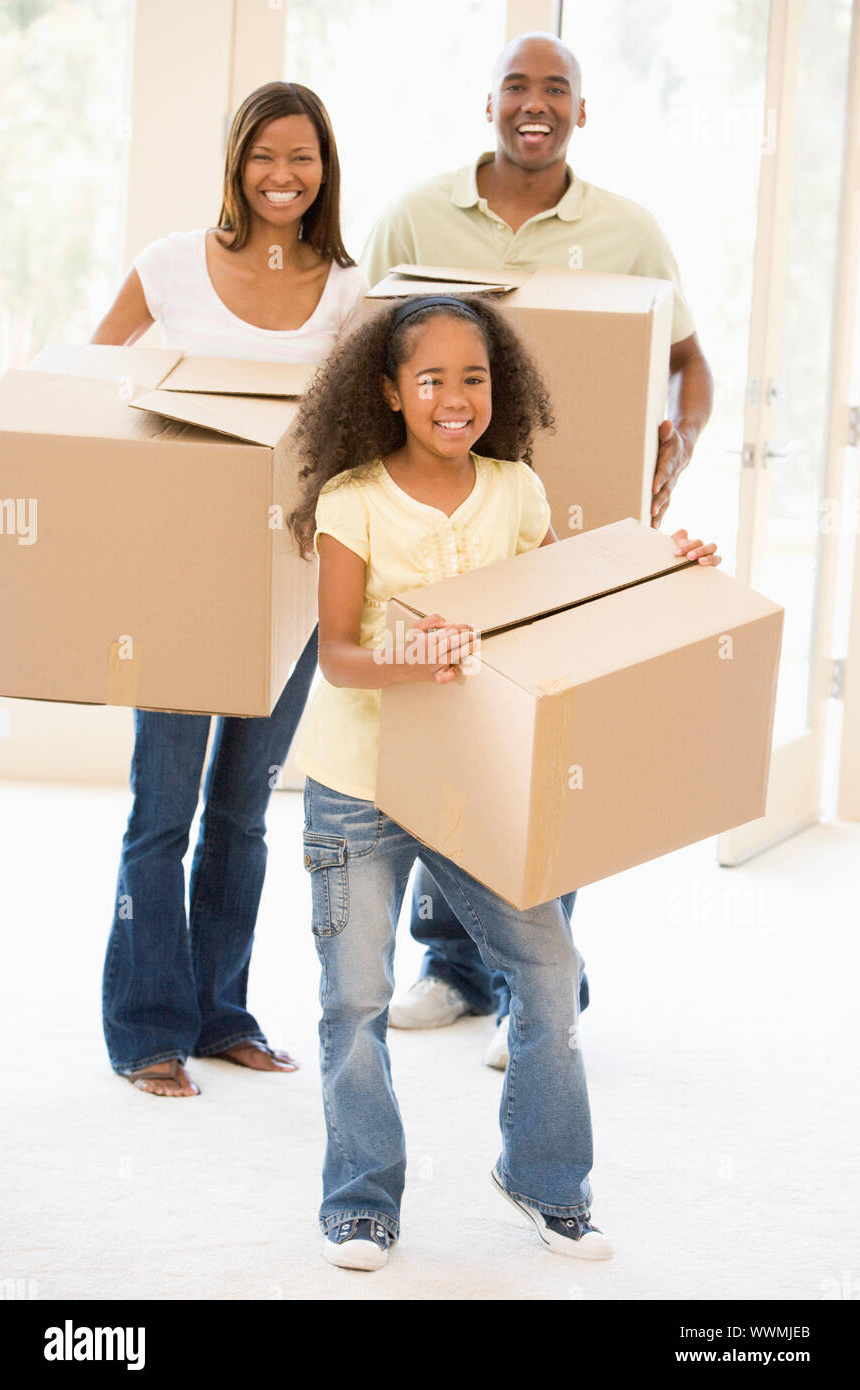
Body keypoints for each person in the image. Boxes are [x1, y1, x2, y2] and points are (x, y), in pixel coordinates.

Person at [285, 293, 720, 1269]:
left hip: (472, 781)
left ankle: (544, 1180)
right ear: (390, 392)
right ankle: (359, 1200)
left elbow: (565, 606)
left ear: (498, 388)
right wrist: (417, 653)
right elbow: (341, 658)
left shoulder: (515, 489)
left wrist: (670, 563)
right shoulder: (351, 496)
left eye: (472, 377)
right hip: (356, 781)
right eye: (429, 377)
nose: (453, 396)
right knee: (354, 999)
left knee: (547, 971)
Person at [360, 32, 715, 1058]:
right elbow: (357, 351)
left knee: (553, 752)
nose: (534, 103)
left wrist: (676, 446)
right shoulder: (416, 217)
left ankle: (538, 986)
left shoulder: (627, 231)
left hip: (571, 534)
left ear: (579, 112)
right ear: (487, 104)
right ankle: (454, 966)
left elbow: (691, 366)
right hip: (438, 525)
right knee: (448, 743)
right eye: (516, 85)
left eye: (554, 88)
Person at [92, 81, 368, 1097]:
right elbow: (94, 385)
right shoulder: (169, 265)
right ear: (234, 163)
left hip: (289, 579)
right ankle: (145, 1027)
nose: (282, 176)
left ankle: (220, 1011)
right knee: (160, 808)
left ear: (324, 170)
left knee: (244, 807)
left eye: (303, 158)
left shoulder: (345, 288)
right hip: (175, 574)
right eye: (264, 156)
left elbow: (357, 436)